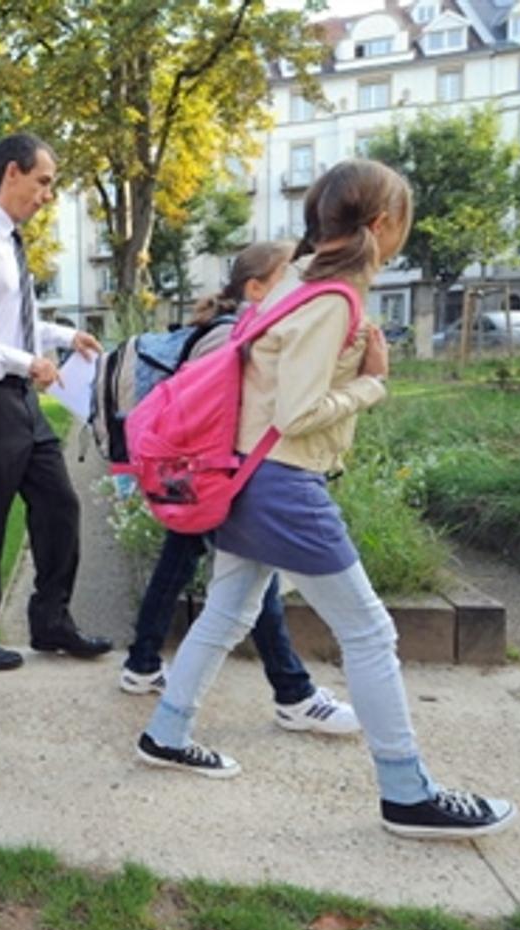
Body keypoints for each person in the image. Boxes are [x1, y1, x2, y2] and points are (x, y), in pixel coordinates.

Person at [135, 159, 514, 840]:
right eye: (403, 222)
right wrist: (372, 384)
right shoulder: (331, 298)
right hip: (282, 483)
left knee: (227, 612)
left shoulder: (293, 281)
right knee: (370, 632)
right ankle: (407, 793)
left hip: (244, 475)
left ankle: (166, 733)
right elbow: (298, 410)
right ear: (383, 223)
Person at [121, 243, 360, 738]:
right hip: (219, 475)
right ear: (255, 288)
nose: (298, 285)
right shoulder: (239, 333)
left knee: (207, 581)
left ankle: (146, 670)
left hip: (200, 476)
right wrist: (368, 382)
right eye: (286, 275)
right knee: (252, 593)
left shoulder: (237, 328)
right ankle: (292, 694)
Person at [0, 132, 110, 671]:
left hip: (19, 401)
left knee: (60, 507)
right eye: (43, 182)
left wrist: (64, 337)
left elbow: (10, 321)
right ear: (12, 172)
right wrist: (25, 362)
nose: (47, 195)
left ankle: (51, 622)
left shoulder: (8, 242)